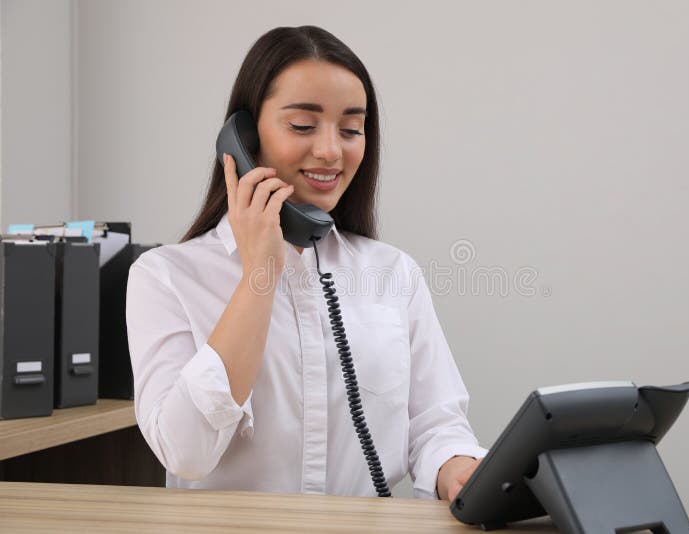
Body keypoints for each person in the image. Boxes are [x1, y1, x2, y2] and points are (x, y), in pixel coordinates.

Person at [126, 25, 485, 500]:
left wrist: (456, 466)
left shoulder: (393, 274)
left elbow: (436, 424)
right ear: (243, 139)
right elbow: (186, 452)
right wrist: (259, 272)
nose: (331, 151)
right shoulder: (164, 278)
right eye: (302, 125)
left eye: (351, 129)